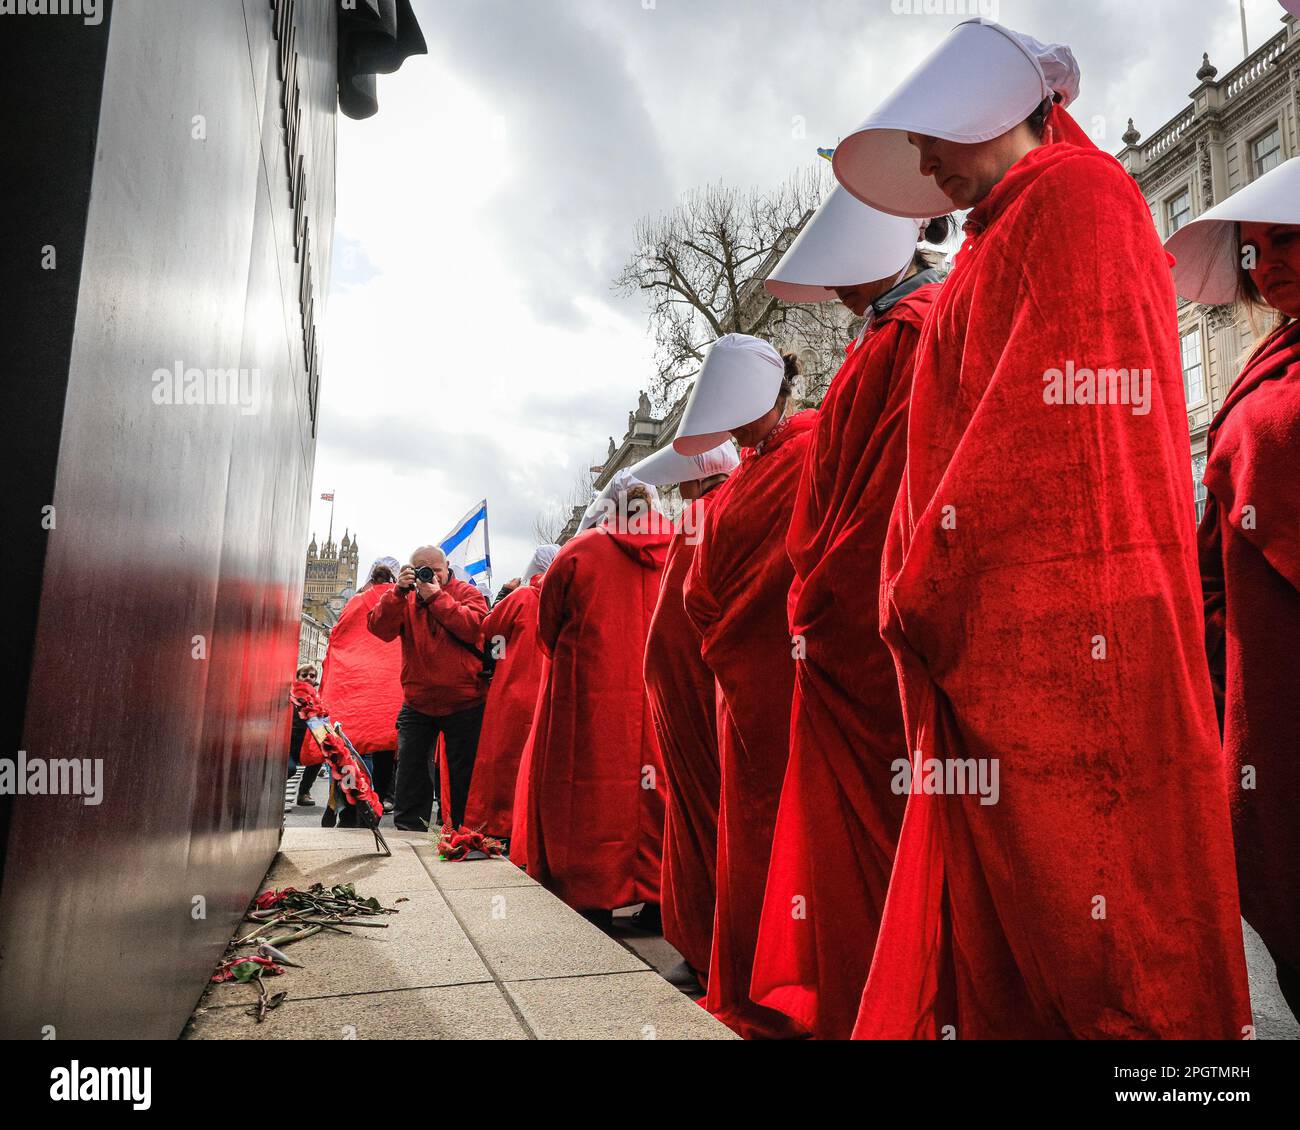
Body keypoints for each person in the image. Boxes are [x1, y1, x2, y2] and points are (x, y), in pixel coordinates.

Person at [832, 18, 1250, 1038]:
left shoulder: (1074, 200)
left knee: (1096, 930)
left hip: (1062, 637)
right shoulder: (1000, 233)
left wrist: (920, 578)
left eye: (933, 133)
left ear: (998, 110)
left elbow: (1046, 446)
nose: (921, 164)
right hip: (1000, 626)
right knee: (1027, 933)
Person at [750, 188, 949, 1039]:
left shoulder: (911, 328)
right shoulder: (888, 328)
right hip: (836, 615)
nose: (830, 292)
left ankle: (892, 1002)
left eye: (839, 273)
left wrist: (821, 606)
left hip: (859, 625)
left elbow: (881, 505)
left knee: (880, 826)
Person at [1168, 155, 1300, 1017]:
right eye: (1252, 251)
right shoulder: (1268, 358)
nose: (1267, 264)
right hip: (1264, 671)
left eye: (1285, 240)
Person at [676, 335, 816, 1039]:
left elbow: (699, 593)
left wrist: (718, 633)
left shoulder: (803, 452)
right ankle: (779, 981)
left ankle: (779, 985)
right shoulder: (801, 451)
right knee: (765, 826)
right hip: (762, 676)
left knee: (769, 828)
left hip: (774, 675)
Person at [523, 473, 671, 928]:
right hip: (659, 695)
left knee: (588, 791)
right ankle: (658, 899)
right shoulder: (679, 549)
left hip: (590, 695)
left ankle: (593, 895)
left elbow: (546, 626)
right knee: (660, 791)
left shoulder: (580, 552)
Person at [634, 439, 740, 987]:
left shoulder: (702, 515)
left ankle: (707, 950)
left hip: (696, 696)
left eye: (682, 485)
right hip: (722, 690)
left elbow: (681, 617)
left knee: (701, 818)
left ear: (698, 482)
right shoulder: (741, 500)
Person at [367, 544, 489, 831]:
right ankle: (410, 831)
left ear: (447, 568)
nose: (428, 576)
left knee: (465, 773)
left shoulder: (466, 593)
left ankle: (463, 832)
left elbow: (477, 628)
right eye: (421, 570)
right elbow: (379, 628)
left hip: (466, 699)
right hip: (418, 700)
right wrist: (397, 593)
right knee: (411, 771)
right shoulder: (404, 597)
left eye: (434, 570)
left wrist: (437, 597)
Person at [464, 544, 558, 842]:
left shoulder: (523, 597)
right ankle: (532, 830)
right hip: (551, 692)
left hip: (514, 690)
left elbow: (489, 629)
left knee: (502, 761)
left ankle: (499, 825)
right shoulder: (567, 598)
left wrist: (503, 595)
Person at [316, 557, 404, 827]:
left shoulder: (355, 603)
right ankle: (373, 802)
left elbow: (337, 640)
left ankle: (345, 804)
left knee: (349, 750)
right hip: (388, 696)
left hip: (354, 694)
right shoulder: (401, 602)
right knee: (384, 753)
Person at [287, 662, 320, 808]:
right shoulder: (289, 696)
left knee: (318, 759)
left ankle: (304, 792)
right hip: (290, 743)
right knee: (290, 769)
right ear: (298, 677)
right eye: (304, 675)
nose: (308, 678)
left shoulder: (318, 699)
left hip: (308, 743)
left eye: (312, 676)